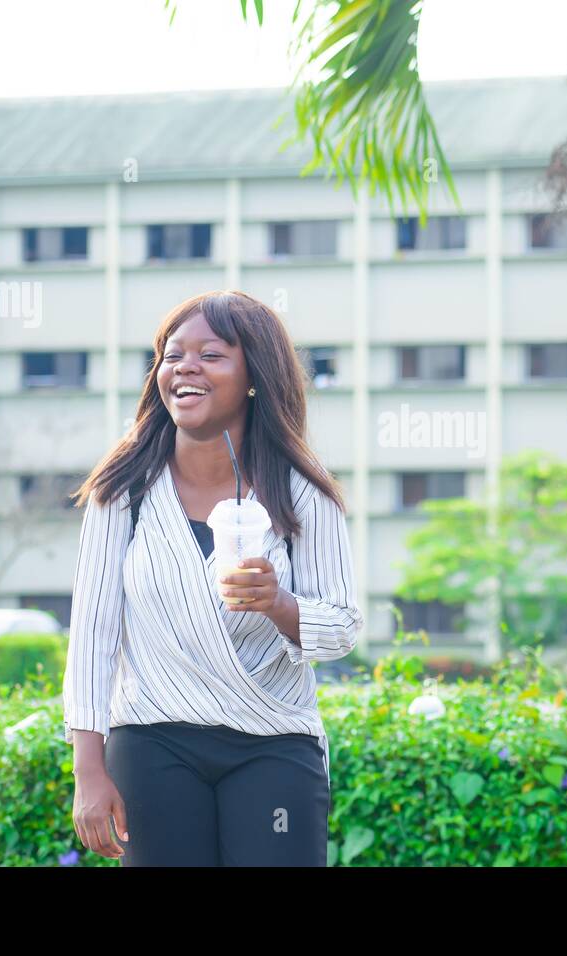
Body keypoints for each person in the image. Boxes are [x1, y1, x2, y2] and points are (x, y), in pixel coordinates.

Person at [63, 290, 363, 866]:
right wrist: (88, 769)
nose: (186, 368)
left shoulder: (304, 490)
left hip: (274, 740)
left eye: (211, 355)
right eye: (173, 356)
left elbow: (342, 627)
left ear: (255, 375)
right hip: (154, 739)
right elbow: (93, 633)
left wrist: (278, 603)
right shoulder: (123, 491)